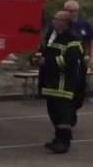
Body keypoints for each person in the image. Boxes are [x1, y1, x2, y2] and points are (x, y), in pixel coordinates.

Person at [34, 10, 86, 154]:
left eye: (56, 19)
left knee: (63, 114)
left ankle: (64, 142)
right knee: (54, 112)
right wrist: (37, 58)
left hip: (64, 85)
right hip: (52, 82)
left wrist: (47, 61)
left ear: (65, 22)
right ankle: (58, 139)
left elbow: (72, 61)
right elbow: (47, 52)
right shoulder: (54, 36)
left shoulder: (73, 39)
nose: (53, 21)